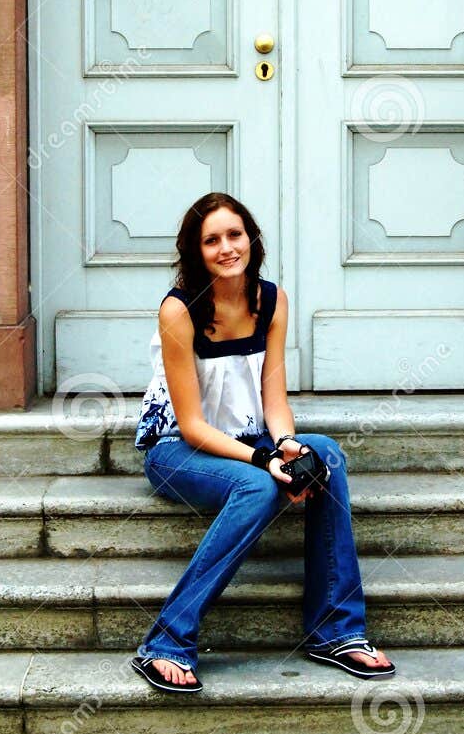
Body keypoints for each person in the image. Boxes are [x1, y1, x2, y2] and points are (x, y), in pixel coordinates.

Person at [130, 191, 395, 695]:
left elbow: (273, 398)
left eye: (235, 235)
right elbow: (190, 425)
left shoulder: (271, 300)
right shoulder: (178, 310)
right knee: (257, 488)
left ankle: (335, 632)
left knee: (327, 457)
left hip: (249, 434)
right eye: (212, 240)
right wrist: (263, 459)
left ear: (251, 239)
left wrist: (288, 446)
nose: (227, 248)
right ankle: (166, 640)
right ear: (195, 251)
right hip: (176, 449)